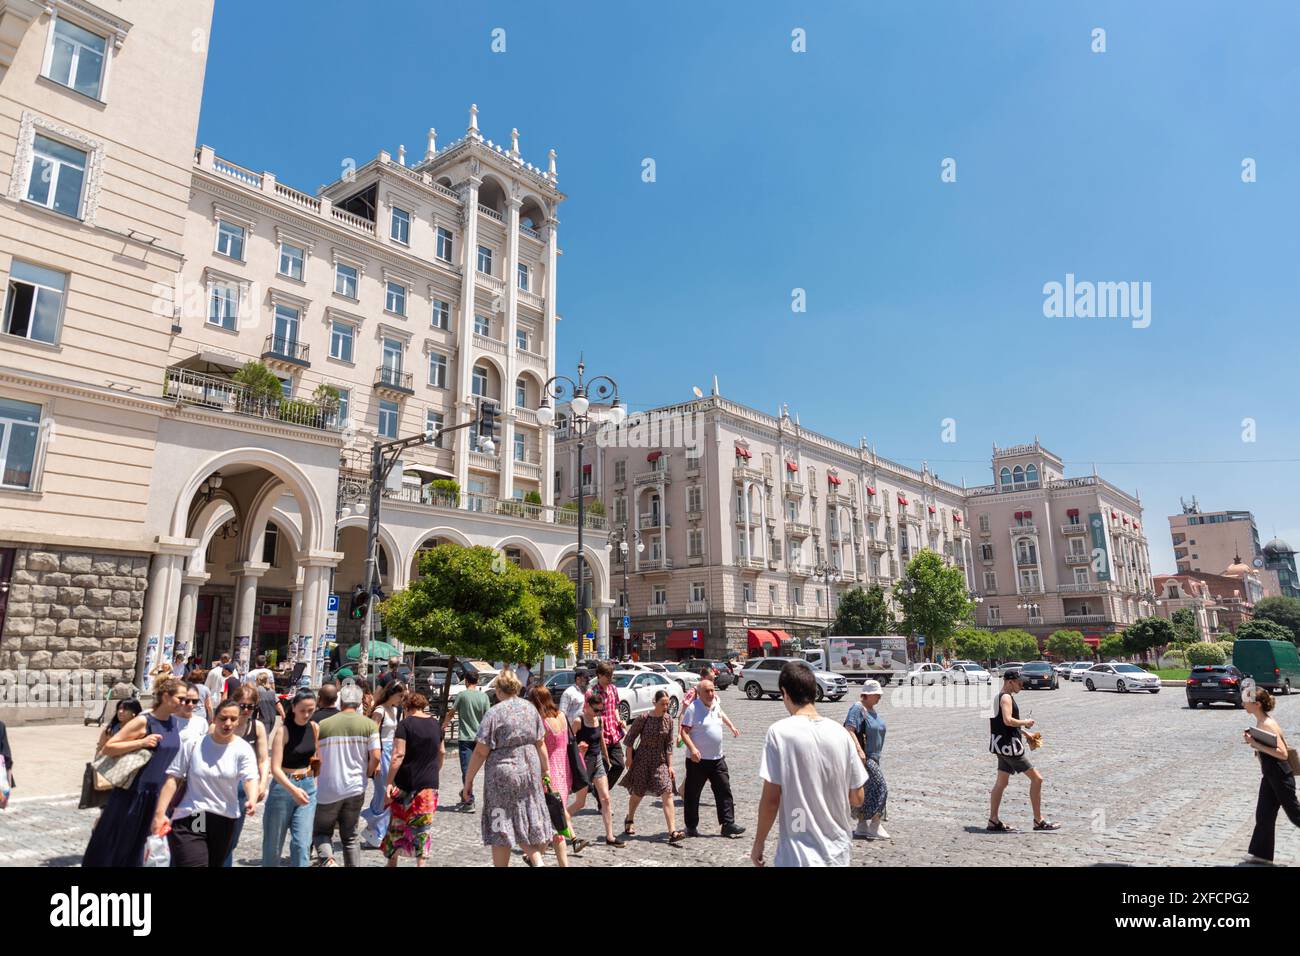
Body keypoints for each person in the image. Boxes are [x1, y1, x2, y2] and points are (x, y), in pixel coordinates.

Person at [751, 662, 866, 867]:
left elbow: (771, 800)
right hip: (838, 854)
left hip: (797, 855)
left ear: (784, 693)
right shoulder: (841, 734)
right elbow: (857, 798)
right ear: (814, 692)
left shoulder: (780, 733)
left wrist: (759, 843)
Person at [83, 677, 185, 867]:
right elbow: (109, 747)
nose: (185, 703)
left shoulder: (173, 723)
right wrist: (142, 742)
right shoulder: (144, 721)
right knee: (118, 846)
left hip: (157, 794)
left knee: (141, 849)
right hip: (133, 793)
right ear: (165, 696)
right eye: (181, 698)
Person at [460, 669, 553, 866]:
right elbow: (541, 743)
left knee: (501, 823)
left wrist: (468, 781)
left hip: (503, 772)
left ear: (500, 691)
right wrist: (546, 771)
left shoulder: (495, 713)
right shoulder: (530, 709)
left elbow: (480, 752)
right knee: (523, 820)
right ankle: (537, 861)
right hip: (530, 768)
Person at [152, 698, 257, 867]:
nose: (228, 723)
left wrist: (252, 798)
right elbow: (173, 778)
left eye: (233, 719)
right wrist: (160, 812)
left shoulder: (242, 749)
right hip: (196, 814)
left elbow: (250, 778)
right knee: (195, 862)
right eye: (223, 718)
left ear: (238, 721)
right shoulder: (194, 744)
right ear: (214, 719)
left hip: (224, 817)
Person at [313, 683, 380, 867]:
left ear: (340, 701)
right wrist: (367, 773)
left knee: (321, 832)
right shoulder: (369, 725)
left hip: (328, 788)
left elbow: (315, 758)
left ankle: (328, 861)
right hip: (356, 787)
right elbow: (376, 756)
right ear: (359, 703)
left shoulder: (324, 725)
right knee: (350, 837)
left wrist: (315, 778)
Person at [987, 668, 1059, 832]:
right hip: (1010, 748)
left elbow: (1002, 724)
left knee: (1001, 783)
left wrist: (1026, 734)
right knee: (1037, 780)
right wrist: (1025, 722)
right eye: (1019, 682)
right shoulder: (1006, 698)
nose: (1022, 685)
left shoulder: (1001, 696)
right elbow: (1007, 720)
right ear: (1010, 681)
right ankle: (1038, 821)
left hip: (1001, 746)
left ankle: (993, 820)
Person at [381, 692, 444, 867]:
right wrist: (435, 770)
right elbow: (442, 752)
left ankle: (392, 863)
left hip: (404, 783)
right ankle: (420, 864)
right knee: (423, 827)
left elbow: (398, 755)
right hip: (429, 785)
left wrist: (389, 782)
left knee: (397, 823)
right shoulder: (435, 724)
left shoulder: (405, 725)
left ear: (407, 707)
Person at [1242, 686, 1300, 864]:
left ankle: (1261, 854)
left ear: (1256, 704)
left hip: (1280, 777)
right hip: (1270, 775)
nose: (1243, 703)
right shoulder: (1262, 721)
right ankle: (1261, 855)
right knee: (1264, 814)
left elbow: (1282, 754)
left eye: (1246, 700)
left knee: (1295, 814)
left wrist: (1255, 744)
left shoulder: (1267, 724)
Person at [680, 679, 745, 839]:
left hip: (717, 758)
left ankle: (728, 824)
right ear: (699, 693)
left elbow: (721, 715)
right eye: (707, 691)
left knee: (724, 790)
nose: (710, 694)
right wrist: (693, 749)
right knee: (692, 794)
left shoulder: (715, 703)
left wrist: (731, 726)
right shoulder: (693, 709)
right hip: (698, 761)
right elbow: (684, 732)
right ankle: (691, 826)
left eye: (712, 690)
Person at [262, 690, 319, 867]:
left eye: (311, 710)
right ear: (293, 708)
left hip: (307, 786)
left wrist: (313, 783)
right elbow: (275, 768)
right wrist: (293, 789)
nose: (307, 714)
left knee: (302, 843)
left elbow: (314, 758)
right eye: (303, 710)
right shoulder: (283, 731)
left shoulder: (314, 727)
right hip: (283, 787)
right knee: (273, 845)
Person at [622, 690, 684, 843]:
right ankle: (629, 818)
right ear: (654, 702)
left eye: (667, 704)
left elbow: (669, 745)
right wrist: (629, 759)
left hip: (660, 761)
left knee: (667, 792)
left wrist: (670, 766)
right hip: (642, 759)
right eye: (662, 704)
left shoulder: (669, 720)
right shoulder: (643, 718)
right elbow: (629, 740)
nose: (665, 707)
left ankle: (672, 832)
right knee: (638, 793)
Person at [529, 685, 583, 864]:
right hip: (564, 770)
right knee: (554, 819)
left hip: (548, 773)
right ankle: (536, 855)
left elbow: (539, 748)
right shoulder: (561, 716)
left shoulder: (541, 721)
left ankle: (546, 858)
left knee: (555, 823)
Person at [566, 693, 625, 847]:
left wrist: (606, 758)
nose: (599, 713)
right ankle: (561, 820)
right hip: (584, 763)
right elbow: (568, 744)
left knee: (605, 798)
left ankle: (610, 836)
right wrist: (578, 750)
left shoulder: (599, 720)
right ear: (587, 706)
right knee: (580, 803)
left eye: (601, 710)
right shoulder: (579, 722)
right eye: (596, 710)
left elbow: (601, 740)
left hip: (597, 761)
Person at [223, 683, 271, 865]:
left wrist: (262, 784)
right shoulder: (222, 724)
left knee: (232, 839)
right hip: (219, 786)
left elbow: (263, 759)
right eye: (242, 705)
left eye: (250, 706)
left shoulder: (256, 727)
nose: (245, 710)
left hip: (242, 788)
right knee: (213, 835)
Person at [360, 680, 405, 848]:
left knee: (388, 793)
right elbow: (373, 735)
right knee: (382, 792)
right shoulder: (380, 710)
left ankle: (380, 830)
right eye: (399, 695)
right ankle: (375, 833)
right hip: (381, 752)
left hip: (392, 751)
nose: (401, 699)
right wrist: (375, 760)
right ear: (391, 693)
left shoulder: (395, 710)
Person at [844, 680, 889, 839]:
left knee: (868, 790)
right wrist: (859, 750)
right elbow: (849, 729)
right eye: (877, 694)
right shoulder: (858, 708)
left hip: (874, 757)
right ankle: (876, 824)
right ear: (868, 694)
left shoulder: (872, 710)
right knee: (881, 786)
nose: (879, 697)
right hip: (864, 757)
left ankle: (862, 825)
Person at [449, 670, 490, 809]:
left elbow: (451, 712)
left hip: (465, 737)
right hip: (480, 738)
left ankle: (469, 800)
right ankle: (466, 794)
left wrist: (443, 724)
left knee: (466, 770)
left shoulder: (462, 695)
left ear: (466, 680)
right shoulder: (484, 697)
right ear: (477, 681)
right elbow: (488, 717)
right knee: (473, 770)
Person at [592, 661, 628, 789]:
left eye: (611, 676)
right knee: (604, 767)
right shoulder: (594, 692)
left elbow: (616, 707)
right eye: (607, 676)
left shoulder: (613, 688)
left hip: (614, 732)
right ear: (599, 675)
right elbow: (592, 713)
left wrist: (619, 720)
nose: (610, 679)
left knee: (619, 765)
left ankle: (601, 791)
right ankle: (602, 799)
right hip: (602, 735)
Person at [174, 682, 209, 752]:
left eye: (195, 701)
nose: (190, 704)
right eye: (187, 701)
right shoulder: (168, 720)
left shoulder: (201, 722)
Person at [254, 672, 283, 738]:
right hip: (272, 719)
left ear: (258, 680)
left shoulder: (257, 690)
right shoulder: (272, 691)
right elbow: (278, 704)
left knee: (262, 739)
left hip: (261, 719)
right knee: (265, 736)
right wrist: (283, 715)